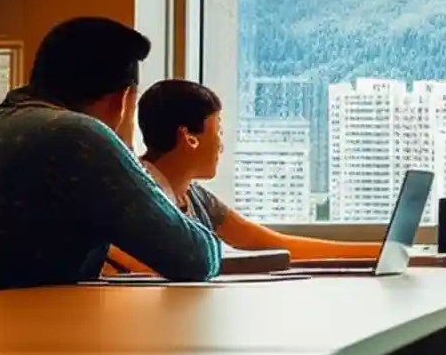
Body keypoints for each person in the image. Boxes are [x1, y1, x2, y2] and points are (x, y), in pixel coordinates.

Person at [0, 17, 221, 289]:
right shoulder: (79, 136)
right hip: (33, 326)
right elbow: (193, 257)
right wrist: (121, 149)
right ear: (122, 99)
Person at [129, 79, 387, 261]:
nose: (221, 143)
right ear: (189, 137)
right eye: (217, 130)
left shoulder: (196, 198)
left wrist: (380, 252)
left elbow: (272, 244)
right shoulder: (136, 195)